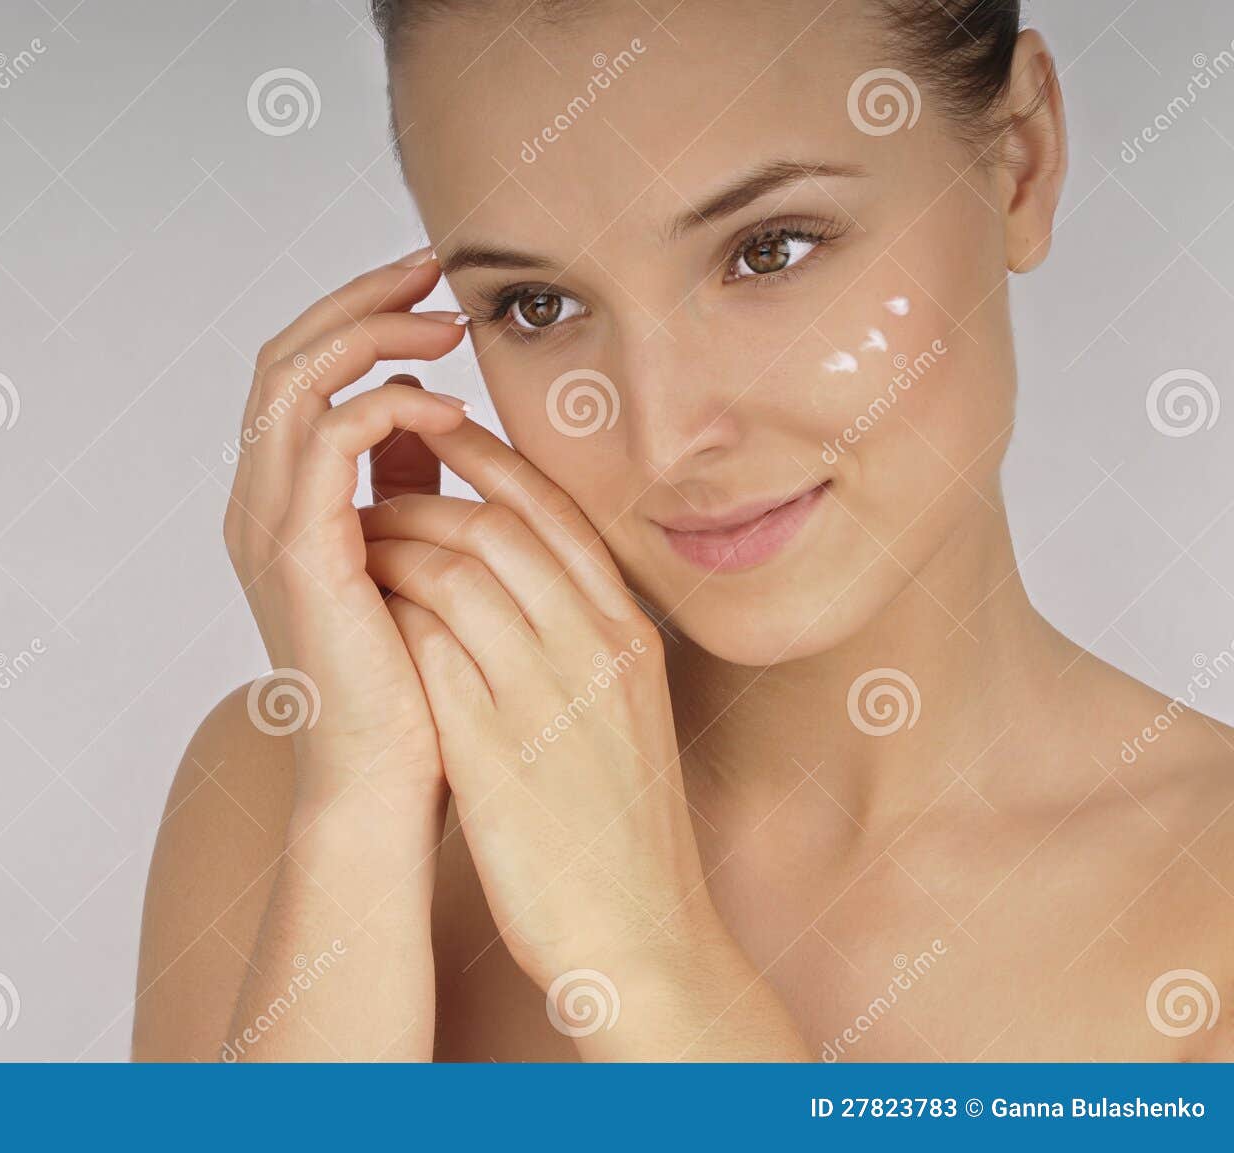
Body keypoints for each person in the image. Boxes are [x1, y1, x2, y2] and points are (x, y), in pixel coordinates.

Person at [133, 0, 1234, 1061]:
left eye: (768, 250)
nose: (662, 436)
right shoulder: (297, 784)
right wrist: (362, 819)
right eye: (536, 305)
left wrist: (646, 963)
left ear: (1019, 161)